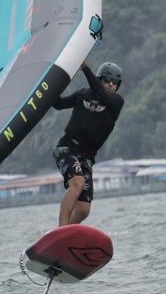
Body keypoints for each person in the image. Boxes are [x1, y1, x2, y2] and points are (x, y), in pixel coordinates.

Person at [52, 60, 124, 226]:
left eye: (115, 82)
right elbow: (58, 104)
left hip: (87, 157)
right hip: (67, 149)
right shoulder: (82, 95)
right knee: (77, 183)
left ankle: (66, 235)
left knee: (84, 210)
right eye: (107, 80)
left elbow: (102, 95)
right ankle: (61, 229)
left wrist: (85, 68)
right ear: (99, 80)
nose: (111, 84)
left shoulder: (116, 102)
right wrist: (51, 84)